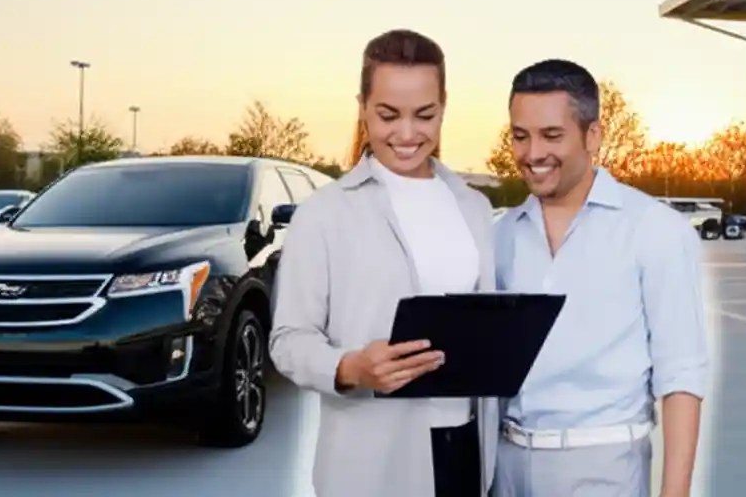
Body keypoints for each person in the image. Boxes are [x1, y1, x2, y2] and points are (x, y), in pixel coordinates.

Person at [269, 28, 498, 497]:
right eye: (388, 115)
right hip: (372, 463)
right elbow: (288, 340)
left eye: (425, 115)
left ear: (444, 106)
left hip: (467, 452)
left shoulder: (473, 207)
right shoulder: (325, 213)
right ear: (362, 107)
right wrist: (350, 367)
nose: (408, 134)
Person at [491, 59, 709, 497]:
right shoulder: (498, 235)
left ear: (593, 135)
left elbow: (681, 373)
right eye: (520, 135)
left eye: (552, 135)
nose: (533, 153)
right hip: (505, 466)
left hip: (605, 468)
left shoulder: (655, 229)